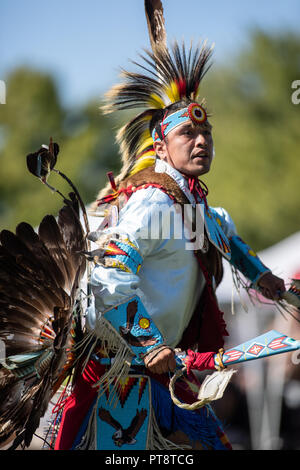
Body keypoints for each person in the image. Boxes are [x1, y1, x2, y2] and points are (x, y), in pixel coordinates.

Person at [52, 27, 286, 449]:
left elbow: (227, 237)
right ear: (160, 146)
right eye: (188, 135)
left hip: (164, 372)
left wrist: (264, 276)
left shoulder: (197, 208)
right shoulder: (154, 203)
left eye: (207, 134)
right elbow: (107, 271)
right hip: (121, 373)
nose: (202, 142)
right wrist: (147, 341)